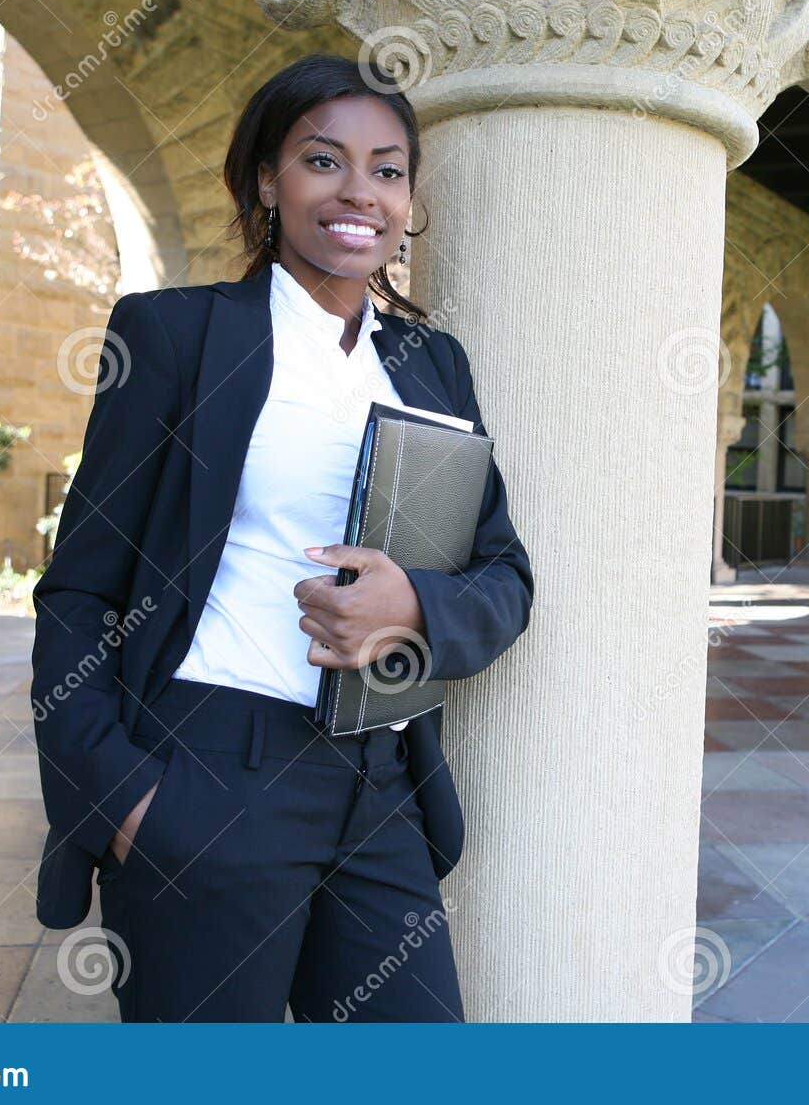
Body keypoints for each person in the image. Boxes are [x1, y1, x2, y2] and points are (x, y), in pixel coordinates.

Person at [28, 52, 534, 1022]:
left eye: (387, 169)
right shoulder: (177, 337)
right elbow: (79, 590)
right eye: (322, 160)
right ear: (267, 179)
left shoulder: (432, 367)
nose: (360, 192)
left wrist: (416, 605)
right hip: (209, 775)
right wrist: (127, 797)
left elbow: (505, 572)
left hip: (378, 787)